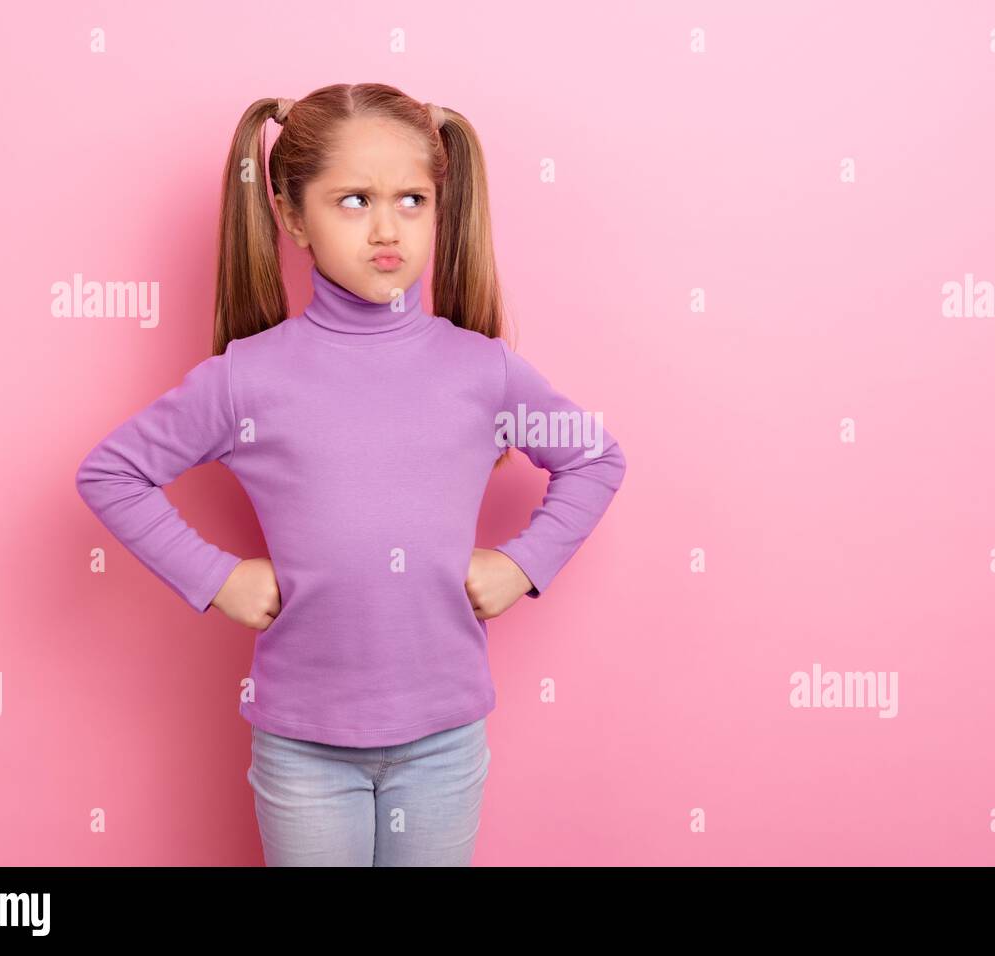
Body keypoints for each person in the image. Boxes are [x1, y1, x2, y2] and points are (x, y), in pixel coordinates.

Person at [74, 83, 627, 866]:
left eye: (411, 199)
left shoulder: (482, 371)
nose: (386, 228)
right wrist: (216, 577)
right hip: (302, 747)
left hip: (445, 740)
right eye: (354, 200)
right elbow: (113, 473)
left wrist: (522, 564)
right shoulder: (248, 379)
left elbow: (596, 456)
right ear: (293, 215)